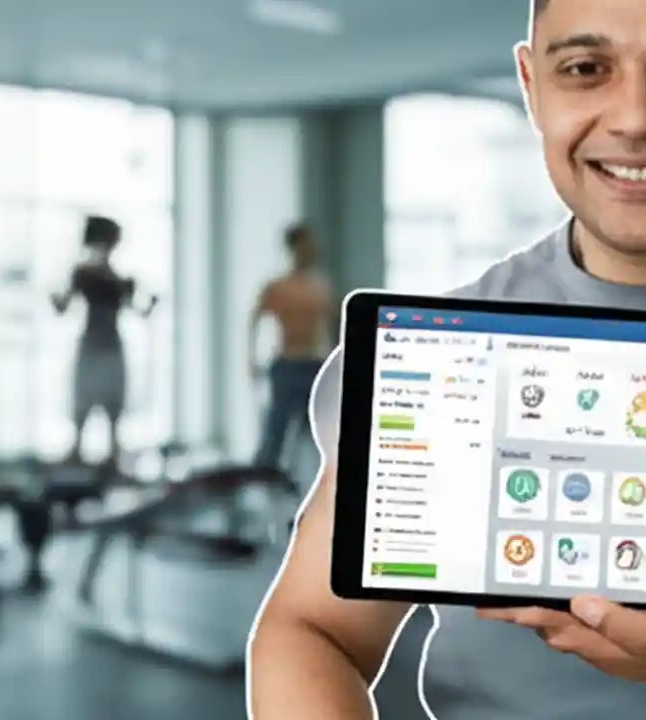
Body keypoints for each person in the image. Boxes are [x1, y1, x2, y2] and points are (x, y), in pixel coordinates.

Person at [249, 1, 646, 716]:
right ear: (532, 87)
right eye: (586, 69)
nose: (635, 118)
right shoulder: (436, 358)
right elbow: (311, 631)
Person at [51, 216, 158, 466]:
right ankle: (79, 453)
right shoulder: (85, 274)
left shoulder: (119, 280)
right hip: (94, 344)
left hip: (109, 345)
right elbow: (62, 306)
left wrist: (152, 303)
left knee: (112, 405)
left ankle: (111, 457)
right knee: (84, 403)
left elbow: (140, 311)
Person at [249, 222, 332, 471]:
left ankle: (310, 485)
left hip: (314, 365)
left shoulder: (320, 288)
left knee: (317, 435)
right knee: (276, 432)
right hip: (286, 364)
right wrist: (251, 361)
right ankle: (264, 481)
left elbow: (330, 328)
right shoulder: (278, 288)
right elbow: (254, 322)